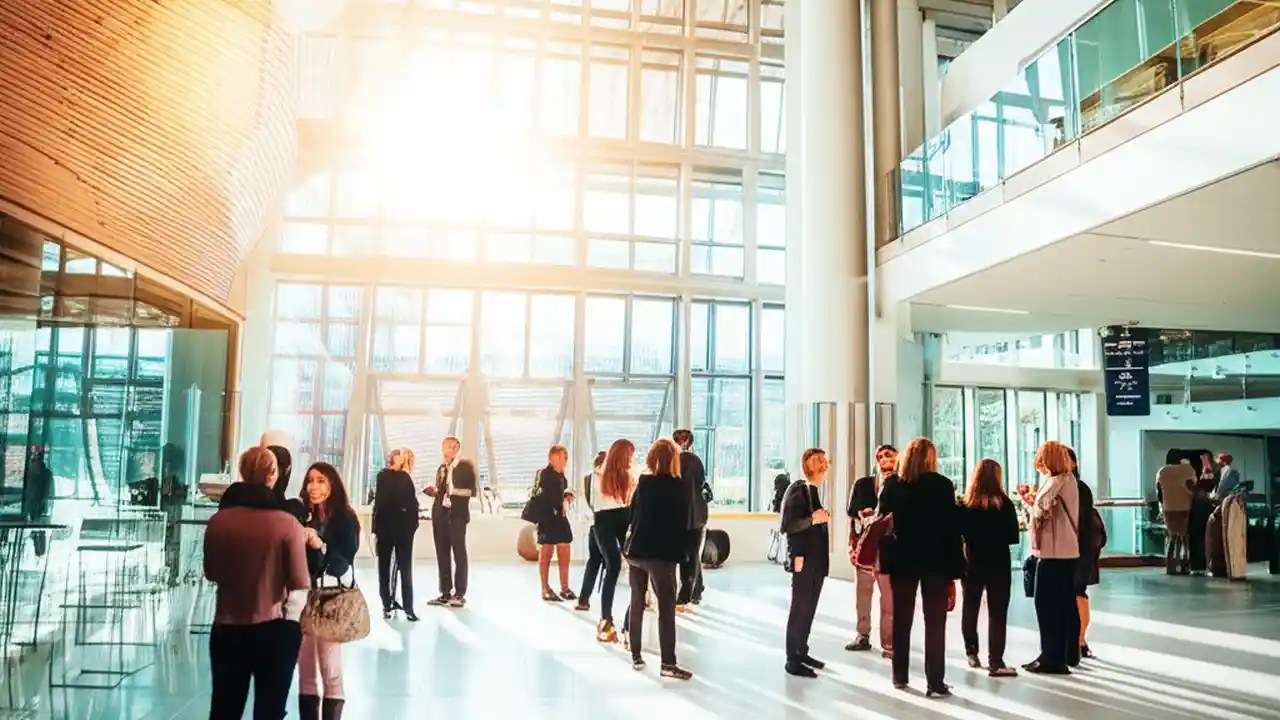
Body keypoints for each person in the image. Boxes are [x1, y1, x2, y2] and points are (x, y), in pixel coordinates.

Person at [204, 446, 310, 720]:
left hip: (226, 627)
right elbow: (299, 580)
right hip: (275, 628)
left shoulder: (218, 521)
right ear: (273, 475)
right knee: (269, 711)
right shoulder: (287, 523)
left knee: (224, 710)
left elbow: (211, 572)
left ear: (241, 473)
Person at [884, 437, 963, 698]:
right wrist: (955, 573)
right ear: (931, 459)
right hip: (935, 562)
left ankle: (899, 675)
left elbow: (883, 521)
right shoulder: (942, 486)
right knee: (935, 622)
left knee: (902, 619)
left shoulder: (893, 485)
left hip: (902, 560)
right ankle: (935, 681)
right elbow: (952, 531)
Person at [623, 438, 692, 680]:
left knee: (636, 601)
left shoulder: (643, 482)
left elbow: (632, 515)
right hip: (662, 555)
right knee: (666, 608)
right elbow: (684, 524)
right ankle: (668, 663)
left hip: (637, 552)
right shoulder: (680, 487)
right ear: (673, 460)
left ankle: (636, 655)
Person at [295, 463, 360, 720]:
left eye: (320, 480)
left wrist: (319, 544)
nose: (314, 486)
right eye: (310, 480)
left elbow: (343, 562)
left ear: (332, 484)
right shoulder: (300, 514)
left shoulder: (345, 518)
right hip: (301, 598)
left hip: (331, 599)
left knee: (331, 669)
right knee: (306, 671)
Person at [1024, 441, 1081, 675]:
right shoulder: (1071, 481)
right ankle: (1066, 653)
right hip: (1067, 551)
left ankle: (1051, 656)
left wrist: (1032, 504)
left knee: (1046, 605)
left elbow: (1042, 508)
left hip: (1053, 552)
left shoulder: (1057, 481)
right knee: (1065, 604)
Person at [959, 459, 1019, 677]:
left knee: (970, 607)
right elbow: (1013, 536)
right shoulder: (1005, 504)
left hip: (972, 562)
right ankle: (996, 661)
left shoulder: (965, 505)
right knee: (997, 612)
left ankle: (971, 652)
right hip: (999, 563)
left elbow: (960, 533)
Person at [781, 448, 832, 678]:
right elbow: (790, 525)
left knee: (809, 607)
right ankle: (792, 658)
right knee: (800, 608)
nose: (821, 464)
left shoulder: (812, 491)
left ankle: (802, 650)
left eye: (822, 460)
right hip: (804, 559)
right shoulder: (798, 489)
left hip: (817, 561)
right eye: (816, 460)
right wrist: (815, 519)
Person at [578, 441, 635, 642]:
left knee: (632, 566)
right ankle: (606, 619)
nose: (631, 459)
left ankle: (631, 617)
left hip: (621, 517)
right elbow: (596, 504)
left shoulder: (627, 476)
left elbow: (628, 501)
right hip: (604, 521)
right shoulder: (598, 476)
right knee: (613, 566)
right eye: (629, 455)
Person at [845, 443, 898, 655]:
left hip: (889, 549)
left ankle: (889, 642)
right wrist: (862, 515)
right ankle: (862, 634)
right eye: (883, 456)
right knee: (863, 595)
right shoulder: (864, 484)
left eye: (891, 456)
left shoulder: (900, 485)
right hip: (866, 547)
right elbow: (851, 510)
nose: (887, 460)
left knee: (889, 599)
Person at [423, 436, 478, 608]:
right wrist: (436, 492)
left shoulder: (465, 466)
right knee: (442, 552)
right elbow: (441, 491)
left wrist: (451, 493)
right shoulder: (441, 468)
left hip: (457, 515)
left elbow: (471, 491)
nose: (452, 450)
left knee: (459, 552)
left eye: (455, 447)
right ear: (442, 449)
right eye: (448, 447)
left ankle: (460, 593)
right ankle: (445, 592)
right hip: (440, 513)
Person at [372, 447, 419, 621]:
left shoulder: (405, 477)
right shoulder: (383, 475)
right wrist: (375, 528)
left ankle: (408, 607)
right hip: (388, 528)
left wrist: (413, 526)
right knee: (385, 568)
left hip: (403, 529)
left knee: (405, 569)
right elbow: (380, 502)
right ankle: (387, 604)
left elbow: (412, 503)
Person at [1067, 448, 1102, 663]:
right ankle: (1077, 640)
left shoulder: (1077, 488)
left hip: (1078, 549)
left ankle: (1080, 640)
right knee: (1077, 593)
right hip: (1078, 549)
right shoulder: (1077, 487)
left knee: (1078, 593)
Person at [673, 429, 711, 609]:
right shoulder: (696, 461)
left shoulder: (676, 461)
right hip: (697, 514)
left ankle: (687, 593)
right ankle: (696, 589)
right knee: (692, 553)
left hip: (685, 514)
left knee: (688, 555)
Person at [535, 445, 576, 602]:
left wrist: (565, 496)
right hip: (547, 517)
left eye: (565, 457)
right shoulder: (546, 474)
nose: (563, 460)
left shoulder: (561, 476)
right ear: (551, 458)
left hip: (560, 516)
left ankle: (564, 587)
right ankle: (545, 588)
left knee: (565, 546)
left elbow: (558, 494)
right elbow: (548, 496)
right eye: (559, 457)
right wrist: (561, 499)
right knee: (546, 551)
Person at [574, 451, 609, 613]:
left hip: (594, 525)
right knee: (611, 566)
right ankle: (605, 612)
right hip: (608, 526)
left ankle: (583, 599)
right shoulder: (610, 480)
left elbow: (584, 505)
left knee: (593, 562)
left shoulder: (587, 480)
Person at [1156, 450, 1196, 575]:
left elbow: (1159, 493)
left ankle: (1170, 566)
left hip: (1168, 508)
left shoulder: (1161, 472)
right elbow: (1192, 486)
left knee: (1171, 538)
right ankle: (1184, 566)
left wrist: (1163, 505)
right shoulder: (1187, 470)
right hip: (1185, 507)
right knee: (1184, 539)